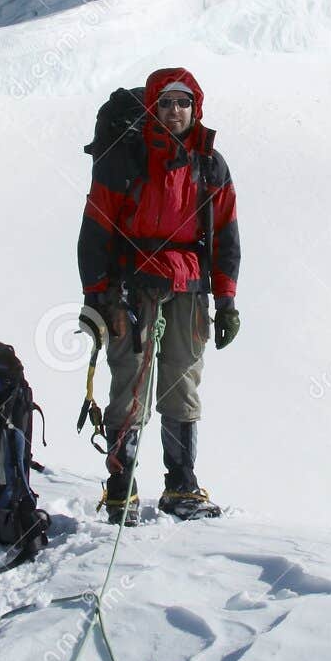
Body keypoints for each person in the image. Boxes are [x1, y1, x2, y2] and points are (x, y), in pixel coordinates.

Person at [77, 67, 241, 524]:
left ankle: (181, 485)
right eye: (166, 102)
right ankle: (120, 487)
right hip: (133, 286)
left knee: (181, 381)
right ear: (153, 105)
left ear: (196, 107)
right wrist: (99, 296)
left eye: (183, 102)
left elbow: (226, 236)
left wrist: (225, 300)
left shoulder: (210, 163)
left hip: (189, 287)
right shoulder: (124, 157)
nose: (174, 111)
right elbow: (96, 227)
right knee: (130, 381)